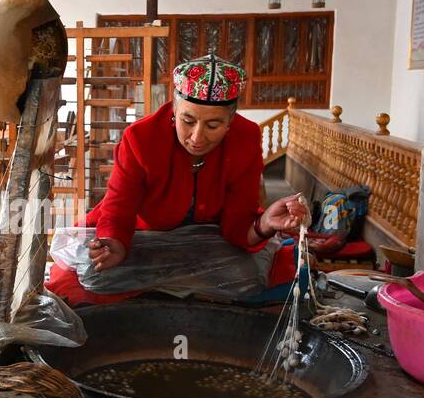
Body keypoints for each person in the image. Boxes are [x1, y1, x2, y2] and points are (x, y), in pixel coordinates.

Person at [46, 52, 308, 306]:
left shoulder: (246, 137)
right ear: (174, 110)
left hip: (208, 242)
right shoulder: (140, 138)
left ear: (230, 121)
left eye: (213, 126)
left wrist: (263, 223)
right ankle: (185, 288)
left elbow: (239, 223)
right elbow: (118, 209)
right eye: (187, 120)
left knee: (248, 274)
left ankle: (164, 286)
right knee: (94, 273)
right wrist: (114, 245)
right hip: (144, 237)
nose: (197, 137)